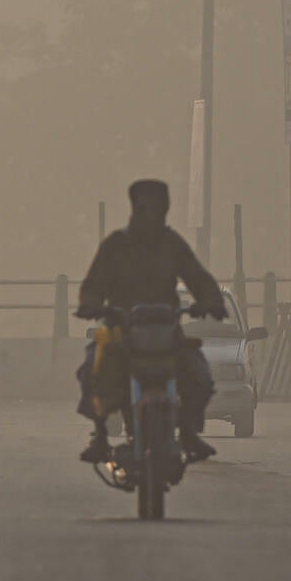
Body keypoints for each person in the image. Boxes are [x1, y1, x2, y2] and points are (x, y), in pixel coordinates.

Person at [75, 179, 225, 464]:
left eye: (157, 208)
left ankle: (188, 431)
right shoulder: (116, 245)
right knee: (92, 370)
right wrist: (90, 304)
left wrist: (213, 301)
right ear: (135, 208)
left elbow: (198, 277)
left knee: (200, 376)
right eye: (146, 207)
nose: (152, 214)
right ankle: (100, 434)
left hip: (166, 331)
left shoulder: (172, 244)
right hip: (123, 330)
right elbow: (94, 283)